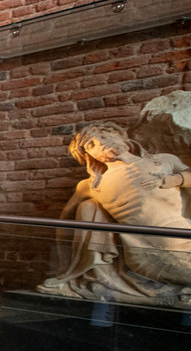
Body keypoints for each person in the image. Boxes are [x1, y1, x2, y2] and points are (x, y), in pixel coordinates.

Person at [39, 122, 191, 304]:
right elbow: (65, 223)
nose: (101, 144)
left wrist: (177, 179)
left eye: (103, 136)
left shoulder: (164, 161)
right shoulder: (94, 185)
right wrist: (64, 267)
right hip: (150, 252)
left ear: (119, 135)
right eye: (91, 145)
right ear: (89, 157)